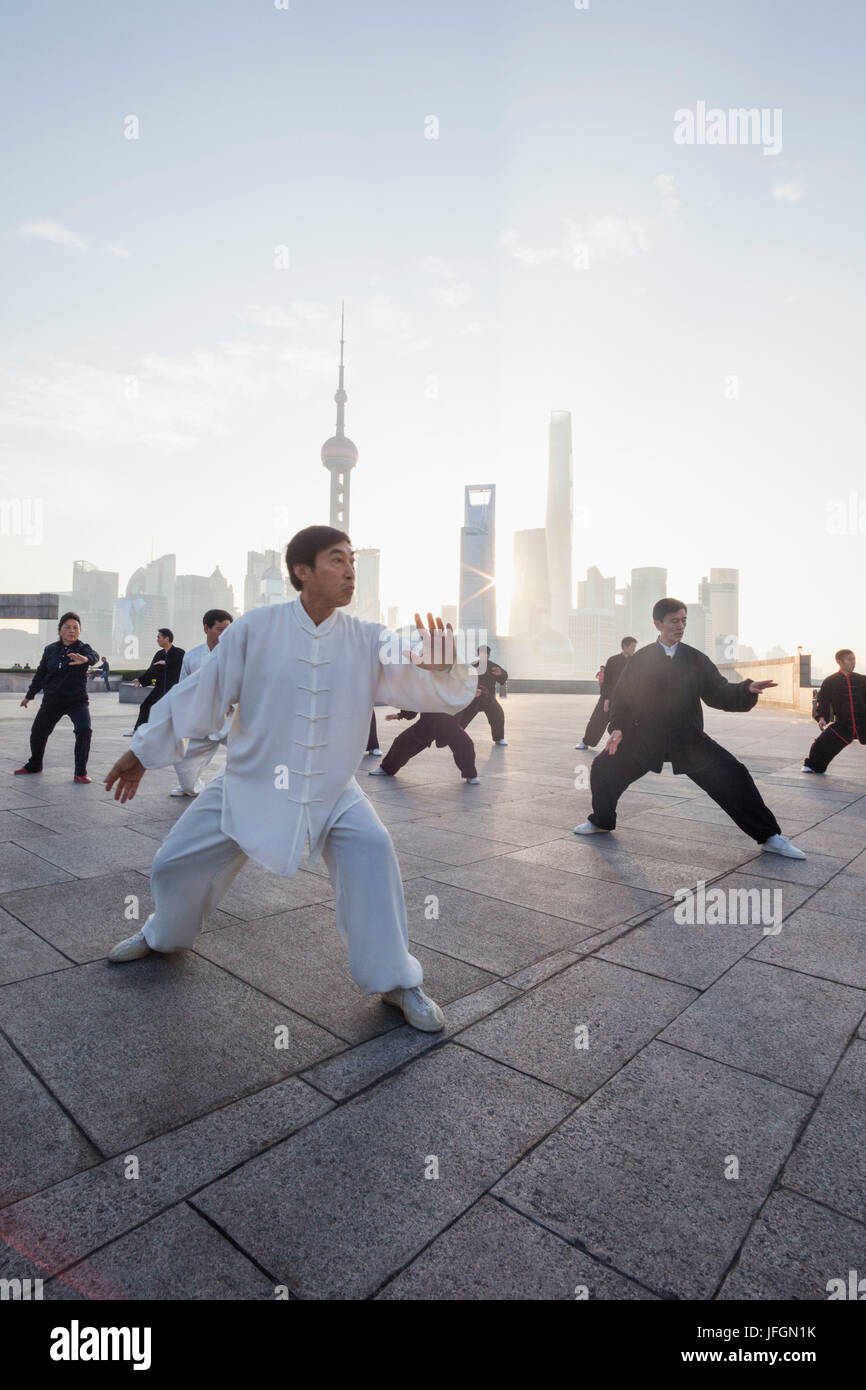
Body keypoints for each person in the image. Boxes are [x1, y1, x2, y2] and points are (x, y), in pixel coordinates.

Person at [104, 525, 477, 1033]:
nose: (350, 572)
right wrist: (142, 752)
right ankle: (163, 935)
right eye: (337, 560)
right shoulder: (255, 629)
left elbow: (425, 683)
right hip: (248, 781)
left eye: (353, 563)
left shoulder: (369, 638)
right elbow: (203, 691)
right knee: (175, 862)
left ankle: (395, 980)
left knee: (372, 851)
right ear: (302, 570)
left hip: (331, 788)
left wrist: (442, 667)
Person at [574, 598, 806, 859]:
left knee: (733, 775)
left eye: (684, 620)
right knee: (604, 768)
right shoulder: (641, 659)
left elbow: (718, 691)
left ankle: (769, 836)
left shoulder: (695, 659)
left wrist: (745, 689)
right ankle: (601, 821)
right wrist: (617, 728)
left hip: (688, 738)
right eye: (674, 621)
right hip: (644, 737)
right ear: (658, 623)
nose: (680, 626)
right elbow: (622, 697)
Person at [14, 612, 101, 783]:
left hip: (77, 700)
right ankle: (35, 764)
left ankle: (80, 772)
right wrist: (29, 695)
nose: (71, 631)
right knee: (38, 732)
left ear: (79, 631)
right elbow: (41, 673)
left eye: (75, 628)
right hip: (53, 700)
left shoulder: (84, 648)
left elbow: (94, 656)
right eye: (67, 627)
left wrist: (86, 659)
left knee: (84, 730)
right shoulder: (50, 650)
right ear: (60, 630)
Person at [169, 609, 234, 797]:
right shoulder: (192, 656)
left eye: (228, 630)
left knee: (253, 752)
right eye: (220, 629)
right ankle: (191, 785)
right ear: (206, 628)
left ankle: (229, 788)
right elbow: (182, 688)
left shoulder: (238, 655)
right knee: (184, 769)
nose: (225, 634)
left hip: (232, 719)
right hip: (203, 719)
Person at [369, 710, 479, 783]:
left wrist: (476, 692)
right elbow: (417, 699)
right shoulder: (427, 681)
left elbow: (464, 692)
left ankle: (470, 774)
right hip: (427, 723)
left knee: (466, 744)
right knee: (401, 742)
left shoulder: (453, 680)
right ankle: (386, 768)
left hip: (449, 723)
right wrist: (401, 715)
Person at [803, 649, 866, 774]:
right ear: (839, 661)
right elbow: (823, 701)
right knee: (821, 744)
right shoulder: (830, 681)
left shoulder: (862, 680)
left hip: (864, 721)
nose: (853, 662)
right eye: (850, 659)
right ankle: (813, 766)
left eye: (854, 659)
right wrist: (821, 718)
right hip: (843, 724)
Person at [576, 636, 637, 750]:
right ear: (625, 646)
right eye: (633, 646)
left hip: (625, 700)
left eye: (635, 646)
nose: (634, 649)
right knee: (597, 720)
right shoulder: (613, 660)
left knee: (625, 723)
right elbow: (607, 681)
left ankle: (624, 747)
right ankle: (586, 742)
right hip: (609, 697)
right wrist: (606, 699)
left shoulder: (634, 662)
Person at [126, 629, 185, 734]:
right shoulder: (159, 654)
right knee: (146, 706)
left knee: (171, 711)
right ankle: (138, 731)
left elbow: (181, 667)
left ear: (167, 638)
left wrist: (166, 663)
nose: (157, 640)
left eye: (159, 637)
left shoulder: (179, 652)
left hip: (173, 687)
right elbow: (152, 670)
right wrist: (140, 679)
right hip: (160, 687)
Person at [457, 645, 508, 745]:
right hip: (474, 699)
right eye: (482, 654)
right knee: (462, 718)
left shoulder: (493, 667)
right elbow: (464, 680)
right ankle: (455, 735)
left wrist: (501, 674)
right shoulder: (472, 666)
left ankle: (499, 738)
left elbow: (503, 678)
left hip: (489, 699)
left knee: (498, 716)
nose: (484, 656)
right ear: (478, 655)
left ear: (489, 655)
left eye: (486, 654)